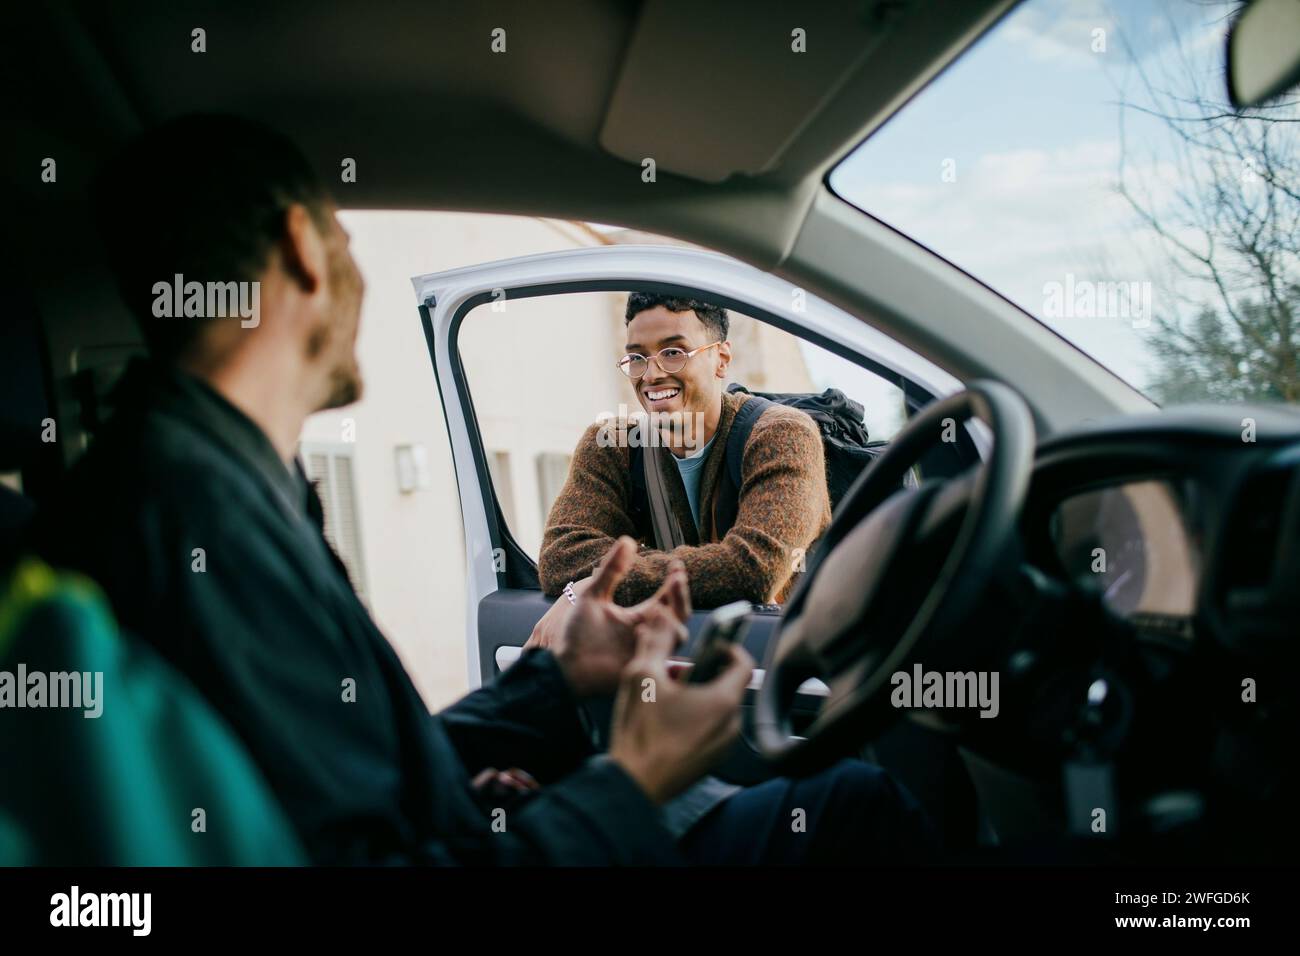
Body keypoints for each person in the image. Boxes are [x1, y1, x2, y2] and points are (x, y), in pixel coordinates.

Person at [36, 113, 934, 865]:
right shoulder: (192, 518)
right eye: (347, 247)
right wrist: (629, 783)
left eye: (674, 352)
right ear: (304, 249)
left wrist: (548, 683)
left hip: (489, 818)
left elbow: (349, 781)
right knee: (856, 803)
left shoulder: (213, 485)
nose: (652, 372)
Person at [529, 293, 830, 647]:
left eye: (673, 353)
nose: (652, 375)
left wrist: (597, 584)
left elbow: (753, 571)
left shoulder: (783, 435)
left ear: (721, 359)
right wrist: (699, 571)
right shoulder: (612, 444)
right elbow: (561, 558)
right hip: (679, 661)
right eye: (637, 358)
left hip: (791, 668)